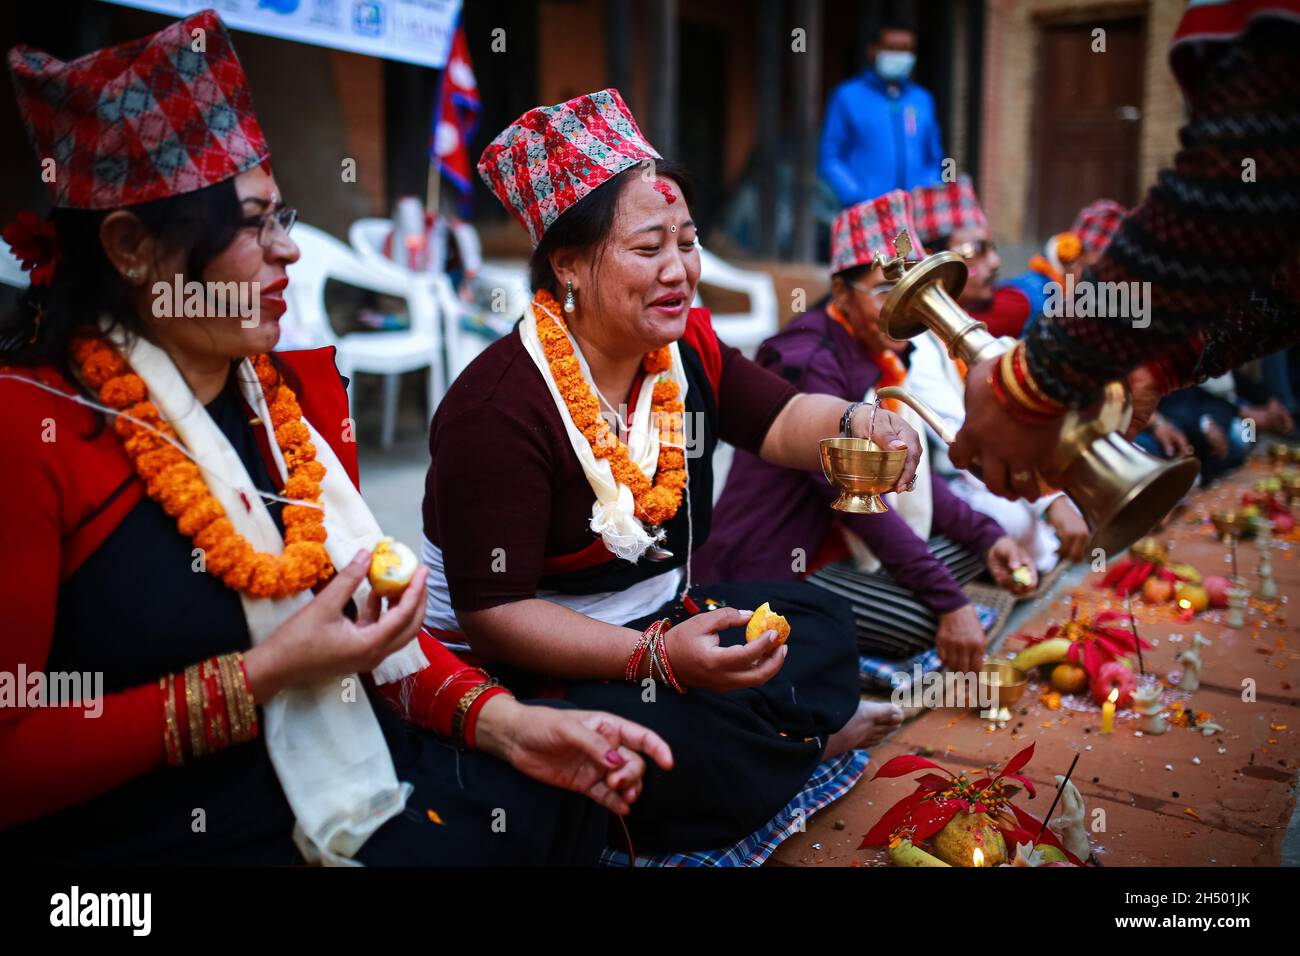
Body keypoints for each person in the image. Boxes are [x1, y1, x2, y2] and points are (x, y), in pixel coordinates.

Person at [0, 11, 671, 867]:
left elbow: (377, 641)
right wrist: (258, 679)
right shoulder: (32, 433)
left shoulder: (282, 408)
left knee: (565, 794)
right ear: (132, 247)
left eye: (286, 219)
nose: (288, 254)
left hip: (350, 778)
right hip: (162, 838)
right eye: (254, 226)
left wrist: (510, 727)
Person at [424, 88, 925, 852]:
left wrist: (861, 420)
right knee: (662, 744)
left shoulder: (682, 351)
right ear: (570, 267)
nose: (679, 271)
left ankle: (776, 744)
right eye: (648, 247)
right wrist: (656, 658)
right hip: (529, 661)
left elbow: (787, 419)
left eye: (686, 242)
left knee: (821, 623)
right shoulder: (499, 406)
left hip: (661, 616)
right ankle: (792, 746)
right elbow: (496, 614)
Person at [951, 0, 1300, 497]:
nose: (1102, 277)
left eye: (1107, 267)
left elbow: (1242, 190)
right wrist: (1156, 364)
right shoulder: (1032, 294)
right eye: (1099, 268)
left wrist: (1037, 384)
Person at [693, 189, 1035, 682]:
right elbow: (855, 495)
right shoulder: (809, 359)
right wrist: (950, 604)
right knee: (921, 618)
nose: (902, 305)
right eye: (882, 290)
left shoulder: (882, 355)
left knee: (985, 544)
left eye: (912, 290)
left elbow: (906, 476)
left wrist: (988, 537)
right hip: (782, 561)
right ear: (839, 293)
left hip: (846, 543)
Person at [906, 178, 1091, 570]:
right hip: (959, 480)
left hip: (1007, 468)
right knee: (1011, 517)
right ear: (938, 265)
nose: (993, 263)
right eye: (975, 251)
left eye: (991, 249)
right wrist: (1051, 502)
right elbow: (965, 439)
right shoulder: (920, 346)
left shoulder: (985, 330)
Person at [819, 20, 944, 206]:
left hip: (912, 213)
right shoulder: (848, 96)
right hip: (865, 213)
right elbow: (830, 157)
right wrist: (855, 194)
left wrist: (927, 188)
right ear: (873, 50)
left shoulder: (922, 99)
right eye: (892, 47)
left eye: (905, 49)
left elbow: (935, 157)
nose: (899, 55)